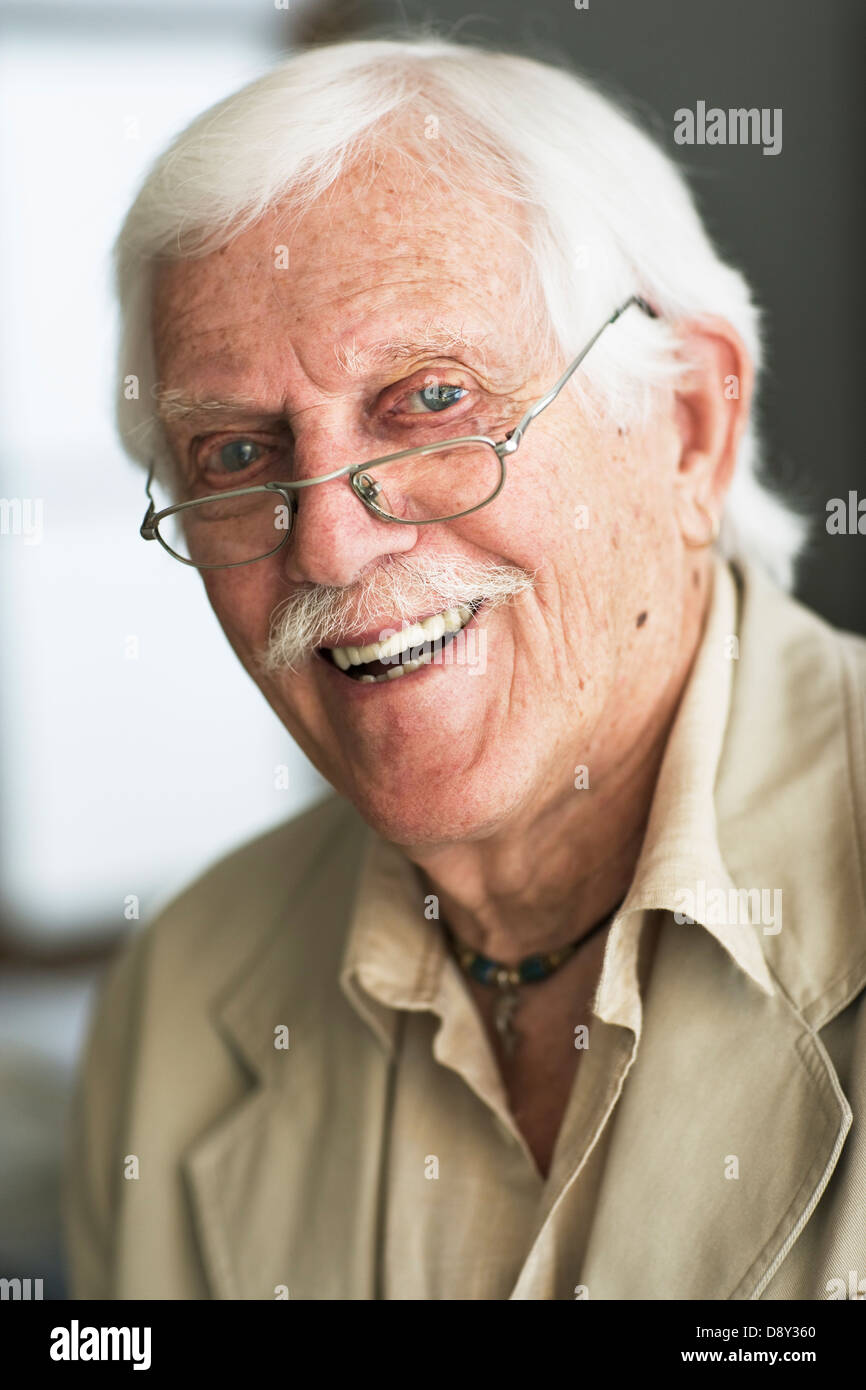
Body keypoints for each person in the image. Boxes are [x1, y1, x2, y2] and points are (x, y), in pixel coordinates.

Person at [63, 35, 866, 1300]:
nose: (326, 539)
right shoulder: (179, 998)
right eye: (231, 456)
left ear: (690, 432)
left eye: (430, 397)